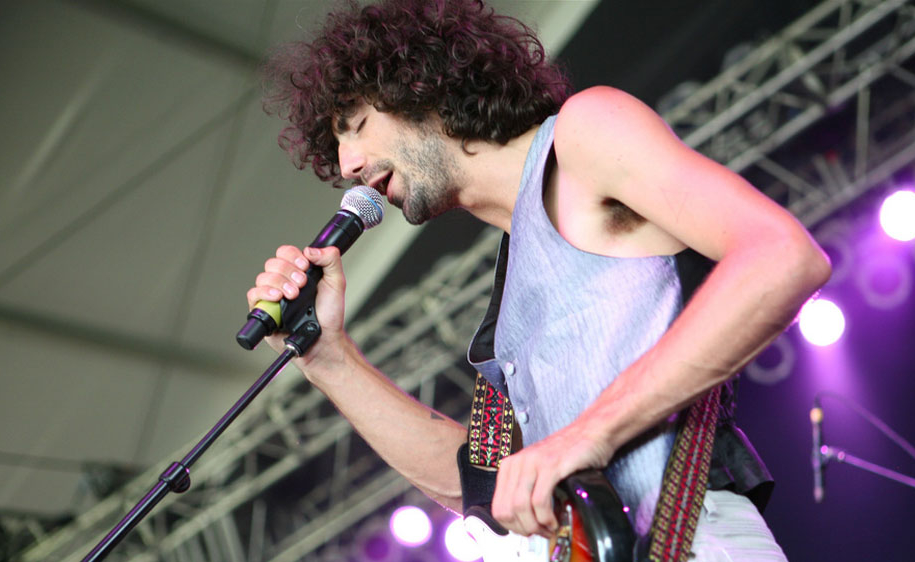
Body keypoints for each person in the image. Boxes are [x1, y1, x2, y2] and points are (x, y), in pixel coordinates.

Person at [249, 0, 831, 559]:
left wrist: (590, 433)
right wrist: (328, 357)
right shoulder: (509, 296)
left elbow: (781, 255)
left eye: (355, 126)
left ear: (419, 87)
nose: (348, 165)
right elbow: (479, 488)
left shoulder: (583, 133)